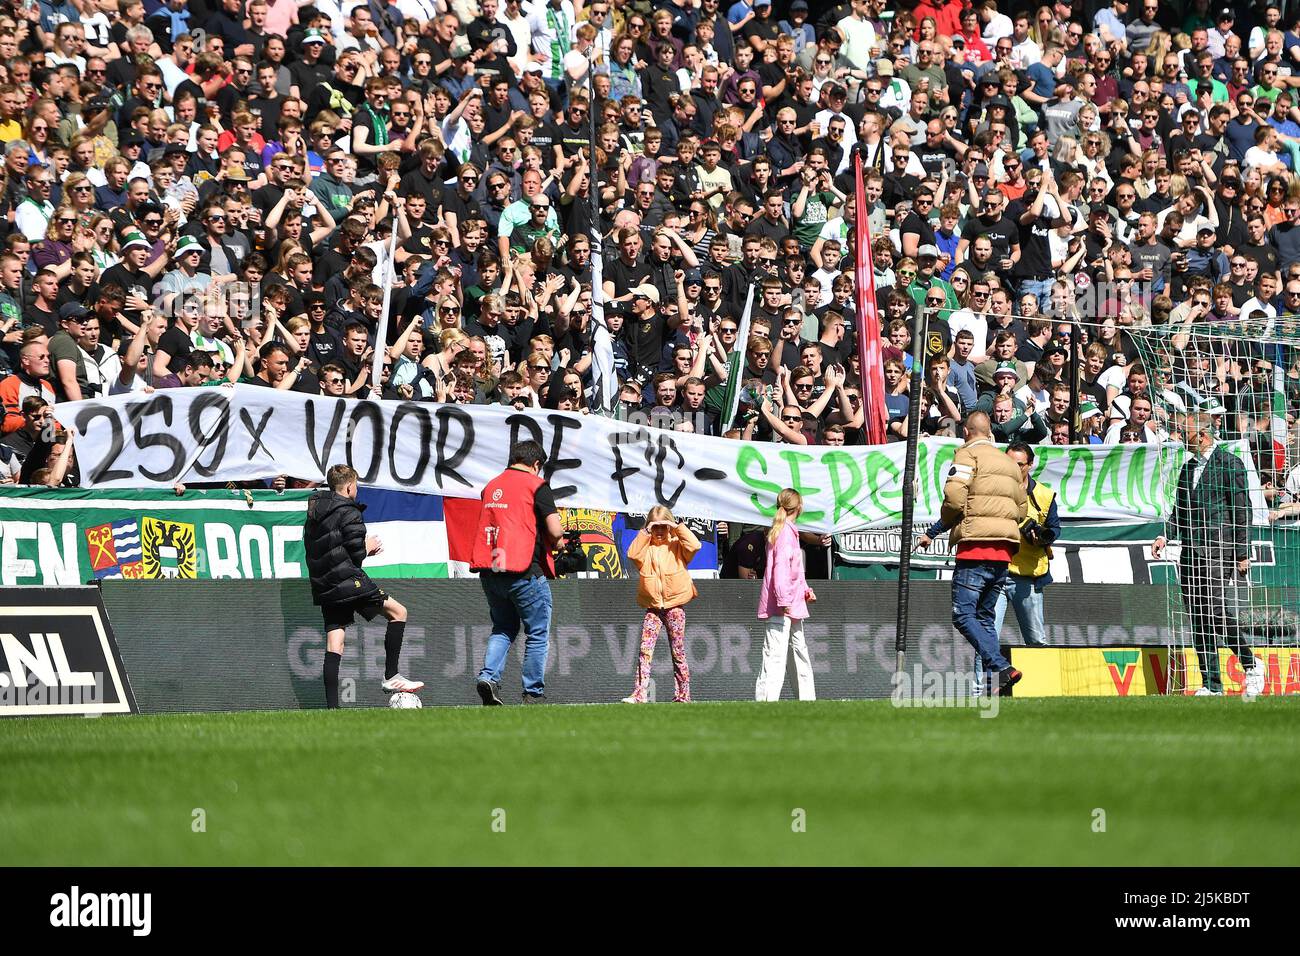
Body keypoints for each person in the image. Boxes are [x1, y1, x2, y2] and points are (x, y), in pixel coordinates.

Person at [1151, 415, 1266, 698]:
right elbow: (1181, 508)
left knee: (1214, 610)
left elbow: (1242, 510)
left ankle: (1251, 664)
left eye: (1185, 433)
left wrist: (1242, 552)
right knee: (1197, 616)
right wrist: (1166, 534)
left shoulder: (1230, 464)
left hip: (1219, 548)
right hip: (1190, 551)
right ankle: (1212, 684)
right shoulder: (1188, 467)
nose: (1180, 437)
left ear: (1201, 436)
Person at [303, 464, 423, 709]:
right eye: (356, 485)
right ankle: (391, 676)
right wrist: (368, 546)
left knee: (334, 642)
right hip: (349, 581)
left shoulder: (314, 511)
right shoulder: (349, 511)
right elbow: (356, 553)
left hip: (325, 586)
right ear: (349, 487)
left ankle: (332, 710)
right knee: (399, 613)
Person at [938, 411, 1028, 696]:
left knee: (963, 615)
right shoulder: (1010, 463)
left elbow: (954, 499)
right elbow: (1022, 508)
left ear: (966, 431)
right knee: (985, 618)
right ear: (989, 432)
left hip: (975, 544)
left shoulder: (966, 455)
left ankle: (1001, 667)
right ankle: (992, 686)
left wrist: (943, 523)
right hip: (1004, 549)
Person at [470, 439, 563, 705]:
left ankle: (488, 677)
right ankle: (532, 693)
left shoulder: (492, 485)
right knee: (537, 632)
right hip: (524, 571)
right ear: (536, 464)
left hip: (491, 570)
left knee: (503, 627)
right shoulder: (536, 486)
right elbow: (555, 531)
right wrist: (559, 542)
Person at [622, 506, 700, 703]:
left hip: (675, 608)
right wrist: (645, 531)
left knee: (678, 651)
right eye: (655, 527)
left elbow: (695, 545)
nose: (659, 531)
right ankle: (640, 694)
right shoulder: (645, 548)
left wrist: (676, 527)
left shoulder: (677, 545)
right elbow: (632, 554)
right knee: (645, 651)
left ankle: (683, 695)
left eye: (663, 526)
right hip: (653, 609)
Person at [755, 488, 816, 701]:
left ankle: (806, 699)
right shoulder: (784, 534)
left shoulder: (786, 532)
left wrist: (805, 590)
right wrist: (783, 599)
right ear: (799, 507)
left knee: (797, 650)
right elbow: (780, 570)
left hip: (792, 602)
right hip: (784, 604)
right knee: (776, 653)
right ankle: (766, 701)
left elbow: (794, 571)